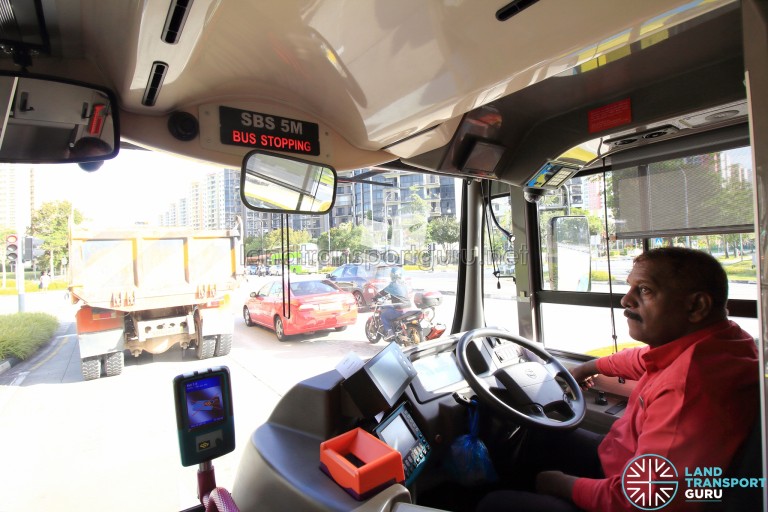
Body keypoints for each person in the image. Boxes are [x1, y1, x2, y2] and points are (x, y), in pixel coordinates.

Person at [477, 247, 759, 512]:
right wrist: (588, 367)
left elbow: (642, 499)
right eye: (630, 287)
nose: (626, 300)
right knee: (536, 434)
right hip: (624, 459)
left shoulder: (690, 388)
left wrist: (560, 484)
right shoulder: (721, 341)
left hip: (631, 492)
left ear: (697, 306)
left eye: (645, 290)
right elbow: (639, 360)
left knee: (494, 503)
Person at [374, 266, 411, 339]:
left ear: (393, 275)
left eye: (391, 274)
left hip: (400, 309)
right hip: (408, 307)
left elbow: (382, 292)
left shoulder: (393, 284)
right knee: (388, 307)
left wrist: (375, 297)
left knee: (384, 315)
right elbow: (400, 294)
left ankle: (389, 332)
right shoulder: (403, 283)